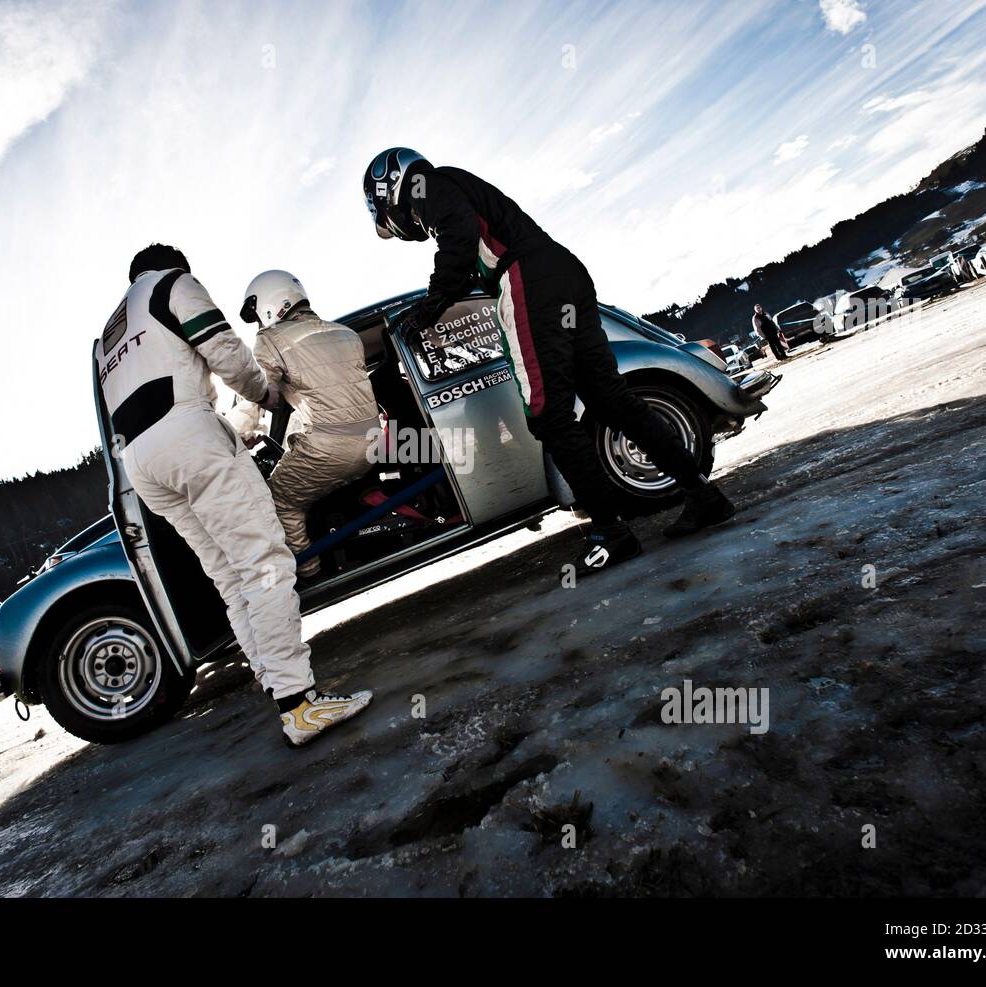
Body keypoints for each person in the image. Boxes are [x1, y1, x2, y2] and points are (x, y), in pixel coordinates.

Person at [363, 148, 735, 577]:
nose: (397, 225)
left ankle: (612, 533)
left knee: (548, 413)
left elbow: (457, 236)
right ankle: (703, 495)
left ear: (387, 187)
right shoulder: (458, 188)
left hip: (528, 279)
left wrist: (433, 303)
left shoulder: (426, 184)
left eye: (388, 216)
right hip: (562, 272)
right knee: (610, 398)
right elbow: (470, 244)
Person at [96, 243, 371, 746]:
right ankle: (299, 704)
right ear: (175, 266)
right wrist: (266, 395)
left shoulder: (109, 336)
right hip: (189, 436)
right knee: (265, 562)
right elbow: (225, 351)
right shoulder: (172, 285)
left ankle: (273, 683)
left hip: (140, 463)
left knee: (230, 577)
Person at [233, 270, 379, 580]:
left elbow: (255, 392)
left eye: (257, 315)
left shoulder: (270, 341)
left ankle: (311, 574)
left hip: (328, 450)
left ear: (270, 305)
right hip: (372, 444)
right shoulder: (346, 334)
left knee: (278, 500)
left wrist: (237, 433)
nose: (259, 323)